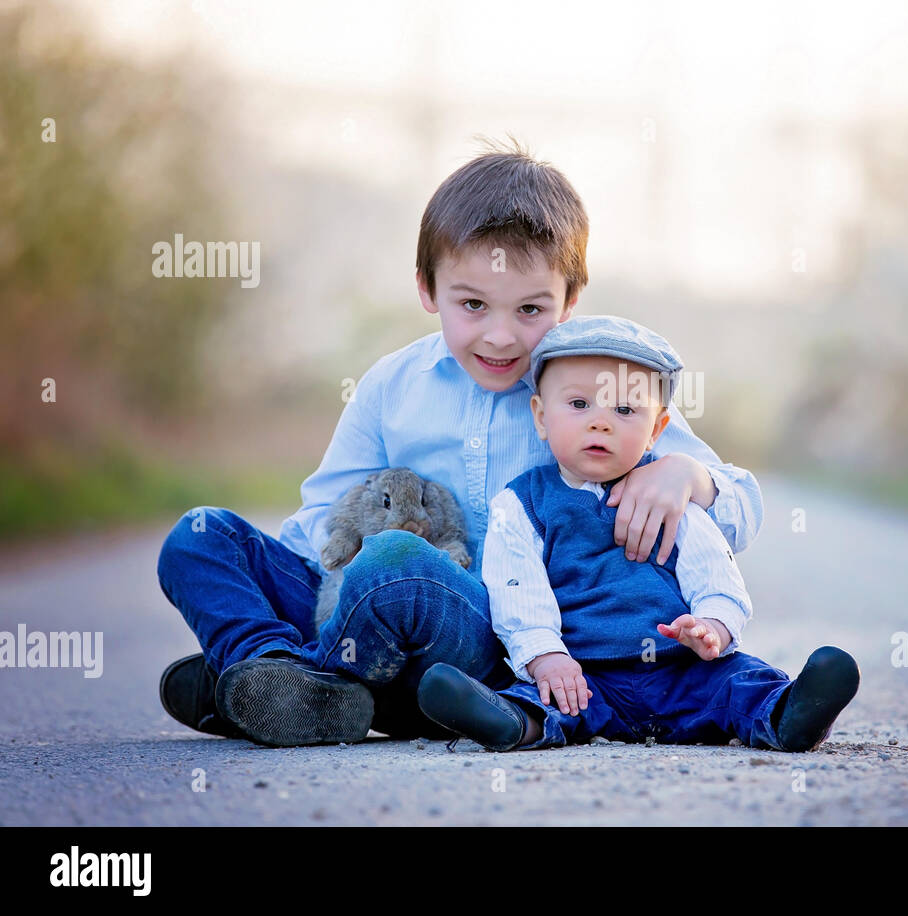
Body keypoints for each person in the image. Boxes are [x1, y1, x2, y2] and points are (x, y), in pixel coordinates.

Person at [155, 144, 764, 747]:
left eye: (531, 309)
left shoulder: (592, 389)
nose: (500, 335)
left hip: (492, 637)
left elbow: (740, 507)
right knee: (201, 538)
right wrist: (339, 575)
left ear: (570, 301)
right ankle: (273, 670)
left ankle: (291, 682)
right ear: (428, 289)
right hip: (366, 607)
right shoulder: (391, 387)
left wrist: (687, 475)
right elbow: (321, 518)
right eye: (472, 304)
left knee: (397, 561)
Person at [417, 316, 859, 751]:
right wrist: (544, 655)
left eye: (625, 410)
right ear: (540, 416)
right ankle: (510, 722)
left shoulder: (667, 493)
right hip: (586, 675)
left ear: (657, 429)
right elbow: (516, 588)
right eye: (578, 405)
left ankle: (790, 716)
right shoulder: (522, 505)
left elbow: (713, 569)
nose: (600, 422)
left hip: (682, 671)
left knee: (739, 682)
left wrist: (713, 626)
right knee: (548, 699)